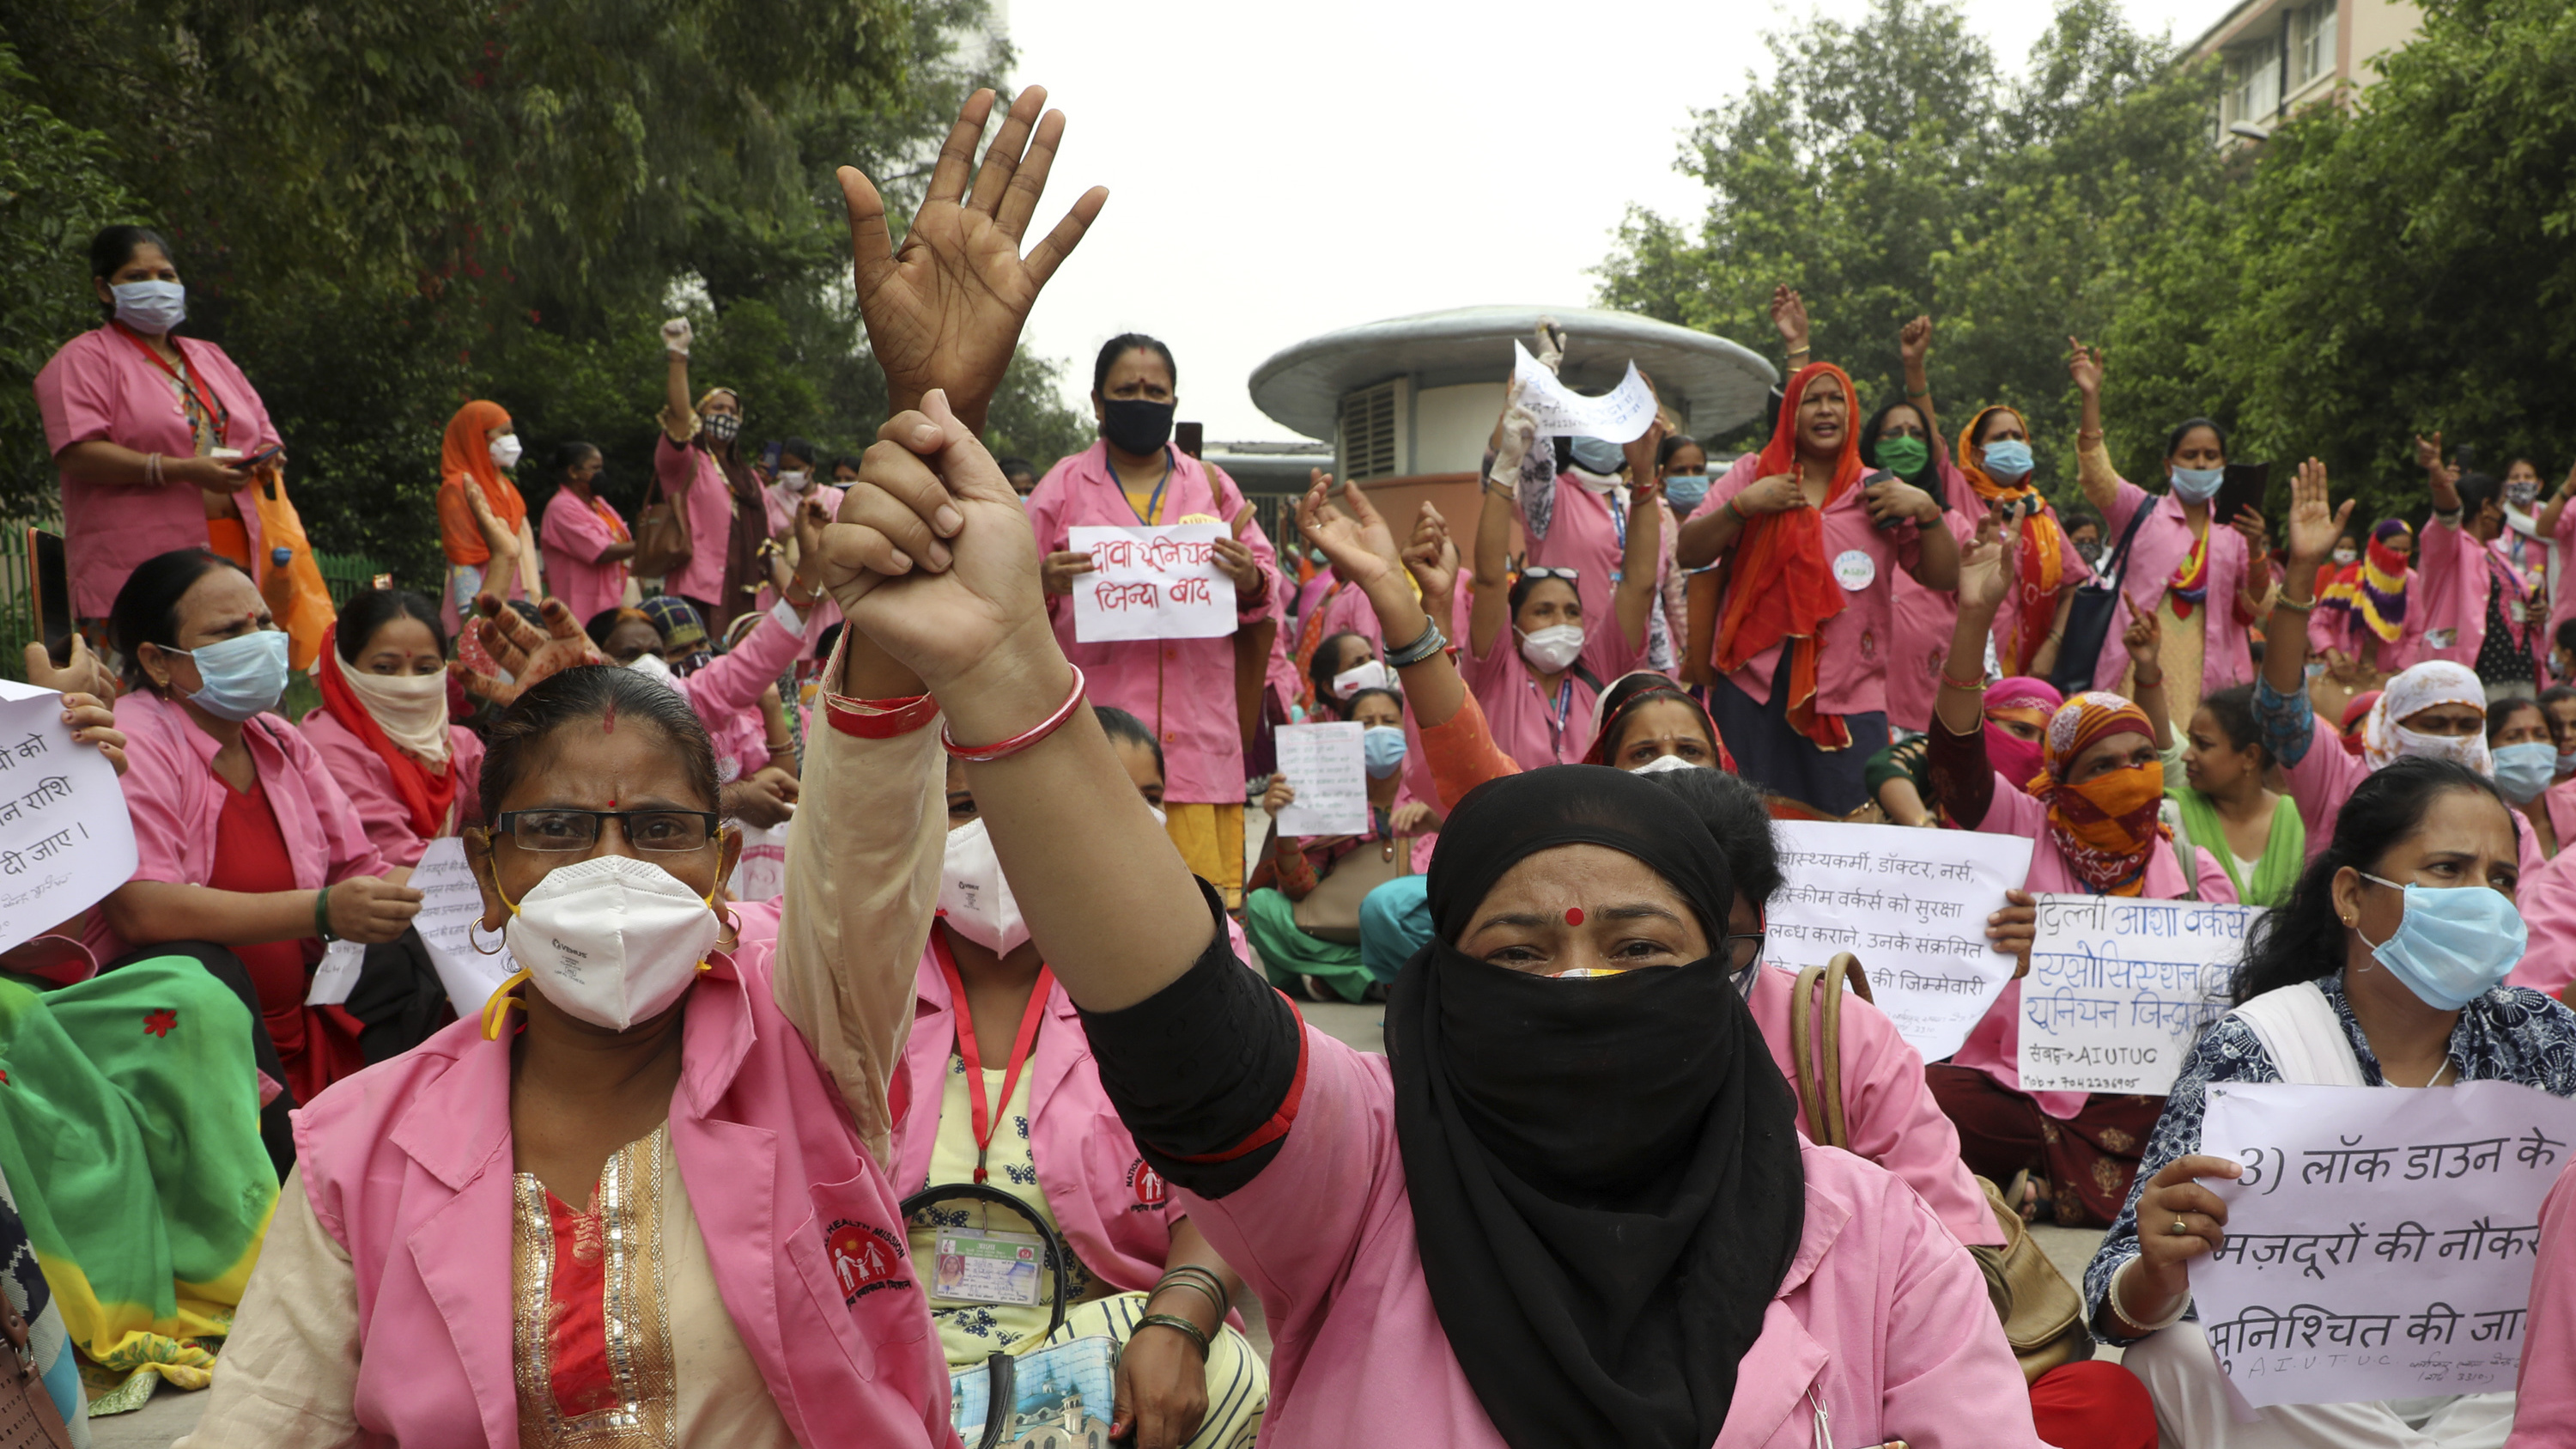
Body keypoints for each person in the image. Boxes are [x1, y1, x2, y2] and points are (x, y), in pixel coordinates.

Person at [824, 387, 2048, 1446]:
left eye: (1639, 948)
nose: (1579, 985)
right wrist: (1007, 675)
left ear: (1727, 966)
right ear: (1441, 982)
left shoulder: (1876, 1242)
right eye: (1518, 951)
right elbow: (1191, 1031)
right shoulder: (1363, 1176)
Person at [177, 78, 1105, 1449]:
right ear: (486, 872)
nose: (612, 868)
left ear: (727, 865)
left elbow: (861, 850)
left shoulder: (812, 1042)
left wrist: (926, 422)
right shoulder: (361, 1146)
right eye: (557, 829)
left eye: (661, 831)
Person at [2082, 758, 2576, 1448]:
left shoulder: (2547, 1040)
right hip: (2316, 1399)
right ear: (2351, 895)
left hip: (2496, 1392)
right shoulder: (2258, 1044)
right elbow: (2114, 1302)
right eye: (2447, 869)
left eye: (2500, 879)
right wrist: (2158, 1274)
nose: (2484, 901)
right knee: (2170, 1357)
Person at [898, 748, 1269, 1449]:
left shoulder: (1177, 957)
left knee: (1227, 1375)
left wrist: (1179, 1319)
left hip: (1084, 1356)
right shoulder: (849, 965)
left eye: (1029, 804)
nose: (1005, 834)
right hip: (878, 1355)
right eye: (965, 808)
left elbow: (1225, 1178)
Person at [1925, 520, 2234, 1227]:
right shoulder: (2020, 828)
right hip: (2024, 1092)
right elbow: (1955, 761)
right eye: (2101, 766)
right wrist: (1975, 617)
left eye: (2141, 759)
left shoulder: (2193, 867)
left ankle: (2031, 1187)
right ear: (2060, 781)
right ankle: (2048, 1180)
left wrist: (2064, 953)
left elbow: (2217, 995)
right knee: (1930, 1098)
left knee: (2215, 1117)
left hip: (2139, 1094)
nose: (2129, 778)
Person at [94, 549, 424, 1115]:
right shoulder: (133, 739)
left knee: (416, 956)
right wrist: (321, 910)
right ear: (156, 660)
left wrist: (474, 881)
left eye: (264, 623)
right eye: (229, 630)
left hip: (302, 1021)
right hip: (187, 1047)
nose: (260, 640)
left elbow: (363, 870)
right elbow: (142, 910)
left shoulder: (276, 737)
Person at [1024, 334, 1279, 907]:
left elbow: (1268, 588)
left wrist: (1250, 577)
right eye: (1126, 389)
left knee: (1201, 919)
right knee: (1096, 913)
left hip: (1198, 751)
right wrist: (1042, 583)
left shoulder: (1214, 487)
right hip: (1093, 750)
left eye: (1155, 390)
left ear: (1173, 401)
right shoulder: (1060, 489)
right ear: (1097, 402)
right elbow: (1008, 602)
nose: (1142, 399)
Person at [1677, 356, 1959, 815]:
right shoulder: (1754, 474)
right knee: (1741, 828)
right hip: (1754, 686)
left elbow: (1944, 577)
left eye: (1836, 400)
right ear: (1791, 412)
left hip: (1849, 693)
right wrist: (1743, 507)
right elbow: (1688, 551)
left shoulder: (1880, 491)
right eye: (1812, 400)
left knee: (1853, 834)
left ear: (1851, 414)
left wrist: (1927, 512)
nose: (1825, 410)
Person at [2251, 461, 2549, 879]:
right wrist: (2302, 569)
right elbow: (2279, 707)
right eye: (2432, 723)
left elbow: (2532, 923)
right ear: (2392, 723)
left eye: (2465, 725)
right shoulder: (2340, 783)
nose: (2450, 740)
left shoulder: (2509, 826)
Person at [35, 225, 279, 621]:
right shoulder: (82, 360)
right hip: (138, 566)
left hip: (234, 558)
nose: (157, 286)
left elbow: (264, 432)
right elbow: (77, 452)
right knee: (148, 676)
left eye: (166, 276)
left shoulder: (211, 356)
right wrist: (181, 470)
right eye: (137, 277)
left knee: (231, 674)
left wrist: (269, 457)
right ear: (104, 290)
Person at [2067, 340, 2271, 725]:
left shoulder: (2234, 530)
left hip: (2214, 677)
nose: (2200, 463)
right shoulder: (2141, 511)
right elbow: (2096, 474)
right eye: (2189, 455)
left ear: (2224, 465)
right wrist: (2090, 397)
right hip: (2137, 662)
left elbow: (2253, 608)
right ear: (2168, 465)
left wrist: (2257, 546)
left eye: (2211, 456)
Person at [1462, 389, 1665, 769]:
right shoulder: (1494, 668)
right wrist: (1506, 467)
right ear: (1514, 624)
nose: (1562, 622)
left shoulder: (1600, 667)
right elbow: (1490, 579)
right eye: (1543, 610)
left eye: (1573, 612)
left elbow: (1640, 584)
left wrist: (1643, 477)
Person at [1499, 320, 1679, 676]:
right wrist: (1545, 367)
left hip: (1633, 666)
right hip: (1567, 665)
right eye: (1591, 425)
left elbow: (1654, 597)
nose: (1605, 436)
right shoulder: (1550, 496)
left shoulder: (1638, 503)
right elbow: (1533, 444)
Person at [1242, 685, 1437, 1004]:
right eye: (1365, 724)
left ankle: (1341, 978)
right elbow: (1300, 889)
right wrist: (1287, 824)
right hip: (1342, 928)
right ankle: (1369, 977)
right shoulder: (1328, 793)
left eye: (1389, 721)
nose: (1378, 731)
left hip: (1411, 926)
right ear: (1345, 735)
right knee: (1263, 907)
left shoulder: (1432, 787)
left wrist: (1436, 819)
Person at [301, 588, 483, 868]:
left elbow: (513, 819)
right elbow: (393, 856)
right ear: (344, 667)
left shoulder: (458, 746)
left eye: (425, 669)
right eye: (386, 667)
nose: (409, 684)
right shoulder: (325, 747)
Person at [654, 318, 769, 635]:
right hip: (698, 586)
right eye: (718, 408)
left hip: (746, 587)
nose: (727, 416)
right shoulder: (686, 461)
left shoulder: (749, 478)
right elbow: (678, 417)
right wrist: (678, 355)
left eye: (733, 411)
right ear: (701, 416)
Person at [2414, 436, 2547, 702]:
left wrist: (2538, 612)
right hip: (2471, 677)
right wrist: (2437, 473)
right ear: (2486, 507)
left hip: (2518, 675)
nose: (2504, 512)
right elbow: (2447, 512)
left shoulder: (2496, 555)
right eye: (2500, 505)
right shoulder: (2449, 548)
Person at [1867, 674, 2061, 828]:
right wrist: (1925, 829)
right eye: (2021, 730)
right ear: (1985, 722)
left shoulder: (2055, 794)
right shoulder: (1947, 754)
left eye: (2045, 741)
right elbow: (1884, 767)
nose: (2033, 748)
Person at [433, 399, 539, 632]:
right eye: (504, 433)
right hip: (479, 602)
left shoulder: (506, 487)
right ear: (476, 437)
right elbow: (463, 555)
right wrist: (473, 617)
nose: (511, 440)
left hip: (515, 598)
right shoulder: (457, 488)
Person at [538, 440, 636, 625]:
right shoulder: (562, 507)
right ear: (573, 471)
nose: (601, 474)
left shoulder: (599, 504)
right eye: (595, 468)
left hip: (610, 600)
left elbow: (622, 539)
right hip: (581, 607)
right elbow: (602, 552)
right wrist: (645, 546)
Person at [2488, 695, 2565, 856]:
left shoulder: (2571, 816)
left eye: (2541, 735)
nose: (2530, 745)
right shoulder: (2479, 825)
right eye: (2513, 737)